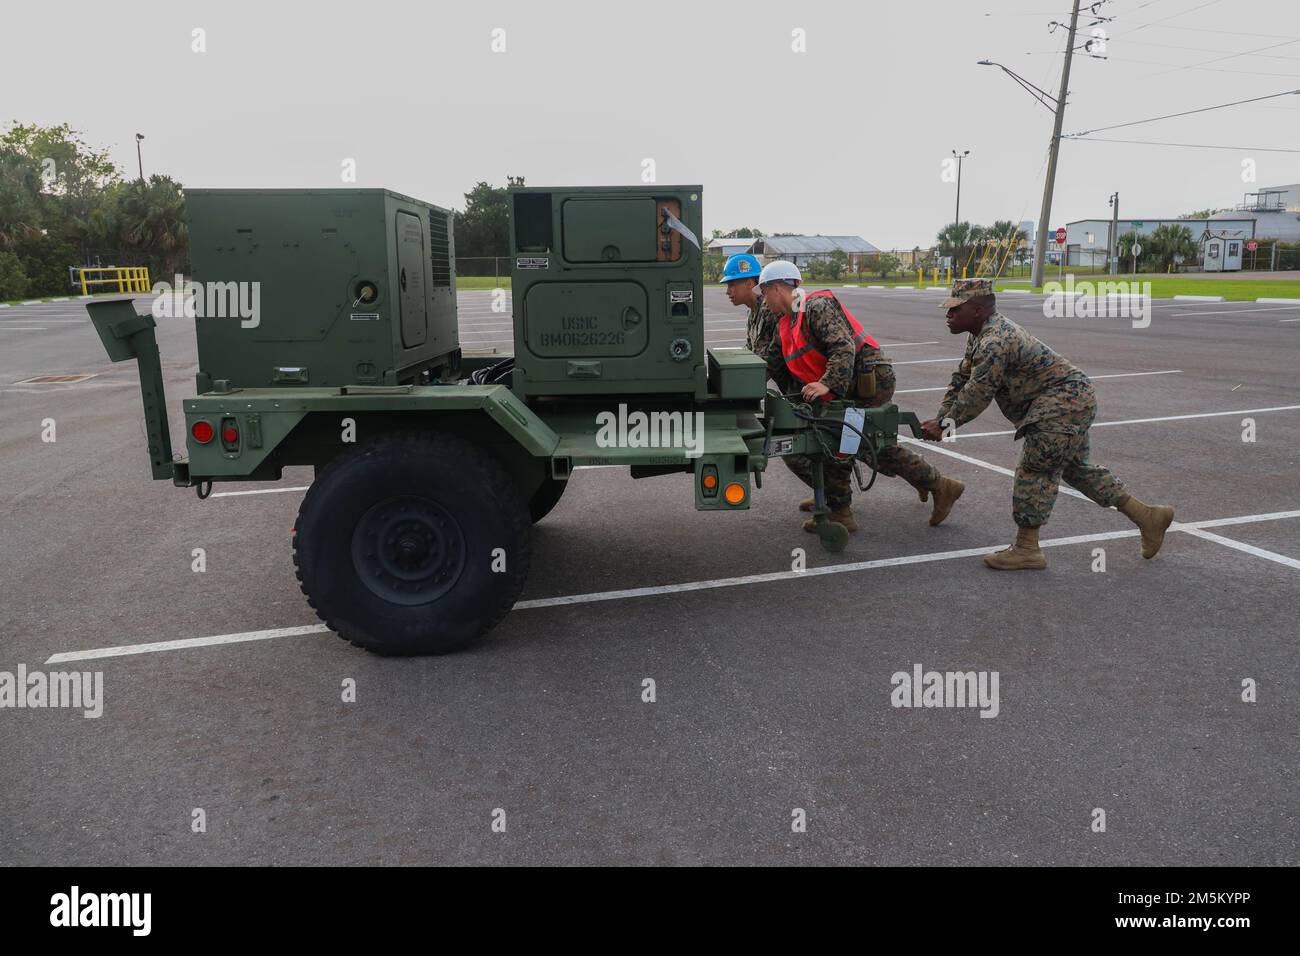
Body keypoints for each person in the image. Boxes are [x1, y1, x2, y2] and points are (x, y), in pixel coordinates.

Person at [920, 277, 1174, 570]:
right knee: (1076, 470)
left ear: (977, 310)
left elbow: (978, 393)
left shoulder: (995, 341)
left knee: (1035, 470)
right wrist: (941, 419)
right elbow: (962, 379)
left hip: (1062, 403)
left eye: (955, 310)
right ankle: (1149, 517)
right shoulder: (979, 334)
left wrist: (945, 425)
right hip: (1069, 400)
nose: (948, 316)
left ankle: (1027, 548)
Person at [754, 261, 964, 534]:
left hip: (870, 383)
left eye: (765, 292)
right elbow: (772, 362)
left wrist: (826, 384)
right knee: (855, 443)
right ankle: (935, 484)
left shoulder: (815, 307)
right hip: (846, 386)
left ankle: (842, 511)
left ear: (779, 288)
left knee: (845, 441)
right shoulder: (788, 320)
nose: (764, 299)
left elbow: (843, 346)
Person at [718, 252, 777, 357]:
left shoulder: (770, 310)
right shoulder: (753, 310)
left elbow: (773, 360)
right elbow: (751, 350)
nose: (727, 291)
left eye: (731, 285)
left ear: (749, 284)